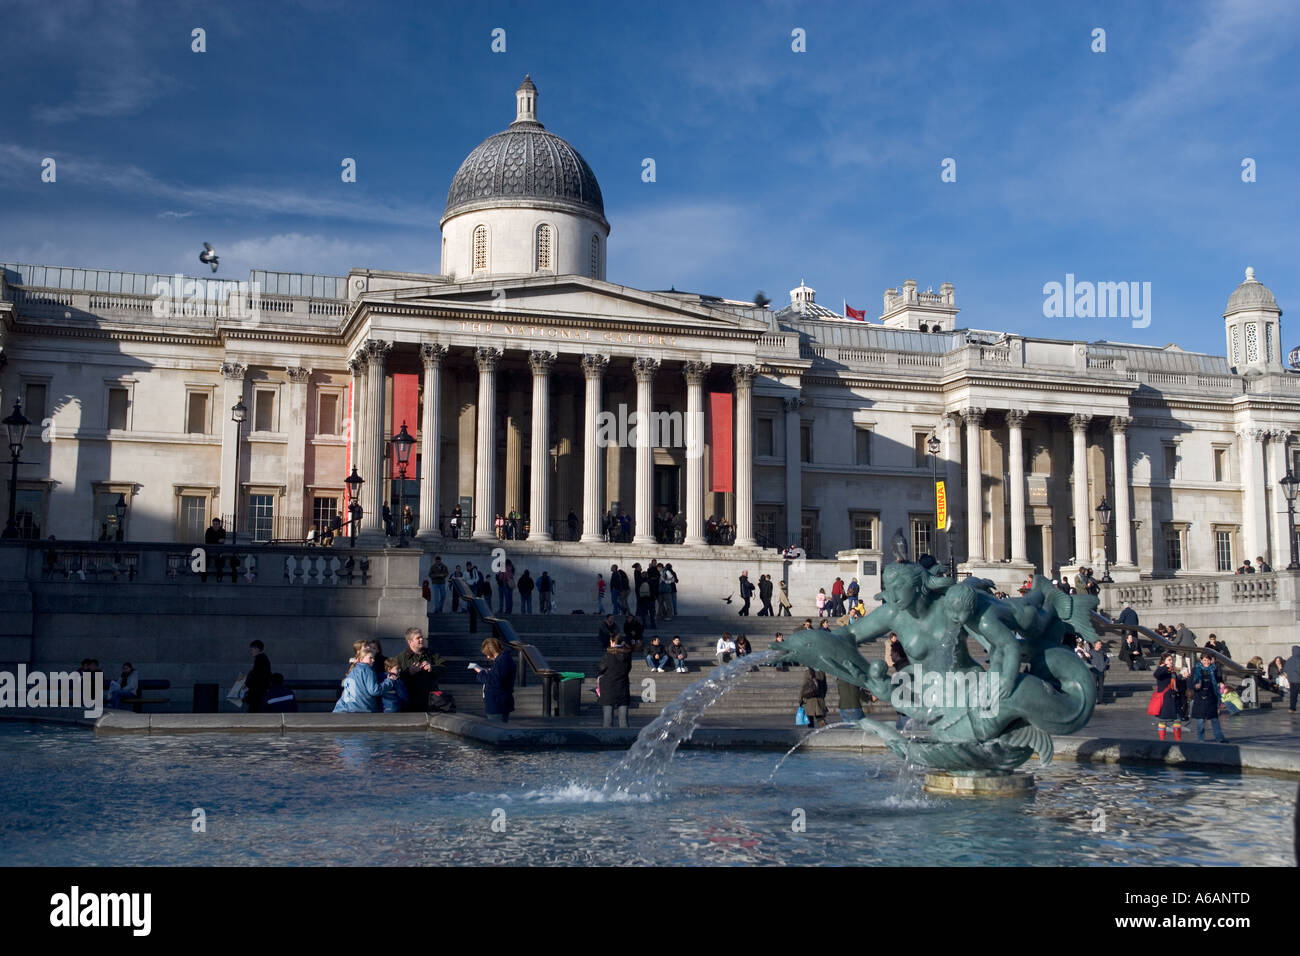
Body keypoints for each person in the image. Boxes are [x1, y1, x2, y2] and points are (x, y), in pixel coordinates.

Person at [333, 644, 396, 713]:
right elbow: (374, 691)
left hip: (344, 709)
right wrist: (389, 681)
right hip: (361, 709)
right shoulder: (368, 669)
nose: (373, 660)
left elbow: (349, 694)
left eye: (373, 658)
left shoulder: (353, 670)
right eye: (370, 658)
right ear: (361, 658)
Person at [394, 627, 442, 712]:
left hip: (431, 701)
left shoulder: (431, 654)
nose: (421, 640)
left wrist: (432, 668)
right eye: (418, 638)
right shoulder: (400, 658)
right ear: (410, 642)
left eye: (421, 637)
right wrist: (409, 672)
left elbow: (443, 668)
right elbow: (394, 678)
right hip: (410, 702)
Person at [470, 637, 516, 722]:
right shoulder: (502, 659)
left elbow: (495, 681)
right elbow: (499, 676)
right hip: (498, 701)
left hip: (497, 703)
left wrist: (480, 672)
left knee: (497, 726)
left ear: (492, 651)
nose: (487, 657)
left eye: (487, 654)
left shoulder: (503, 660)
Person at [1190, 652, 1227, 742]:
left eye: (1208, 660)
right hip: (1200, 698)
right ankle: (1201, 739)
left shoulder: (1214, 669)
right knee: (1201, 721)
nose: (1206, 662)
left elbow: (1220, 679)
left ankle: (1219, 738)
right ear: (1201, 660)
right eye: (1204, 660)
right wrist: (1195, 686)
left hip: (1211, 698)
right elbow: (1191, 683)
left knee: (1214, 720)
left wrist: (1217, 669)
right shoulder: (1196, 669)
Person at [598, 633, 633, 727]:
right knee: (623, 720)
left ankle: (607, 740)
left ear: (613, 642)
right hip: (623, 687)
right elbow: (628, 669)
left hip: (608, 688)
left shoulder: (608, 655)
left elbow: (601, 668)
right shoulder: (627, 656)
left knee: (607, 719)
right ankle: (626, 739)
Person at [1152, 654, 1184, 741]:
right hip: (1165, 700)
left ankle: (1178, 739)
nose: (1171, 661)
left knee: (1177, 720)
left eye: (1171, 660)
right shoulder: (1162, 670)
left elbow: (1176, 685)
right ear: (1164, 661)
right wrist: (1164, 667)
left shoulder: (1172, 672)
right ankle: (1162, 740)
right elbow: (1156, 674)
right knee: (1162, 721)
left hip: (1174, 699)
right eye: (1169, 660)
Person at [246, 640, 271, 713]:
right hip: (260, 691)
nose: (251, 652)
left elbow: (257, 677)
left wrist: (247, 683)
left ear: (257, 648)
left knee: (254, 711)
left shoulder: (260, 659)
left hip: (257, 692)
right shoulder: (263, 658)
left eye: (252, 649)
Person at [1285, 646, 1300, 714]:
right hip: (1298, 680)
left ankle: (1292, 708)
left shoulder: (1289, 660)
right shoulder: (1298, 659)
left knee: (1293, 695)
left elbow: (1285, 669)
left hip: (1291, 681)